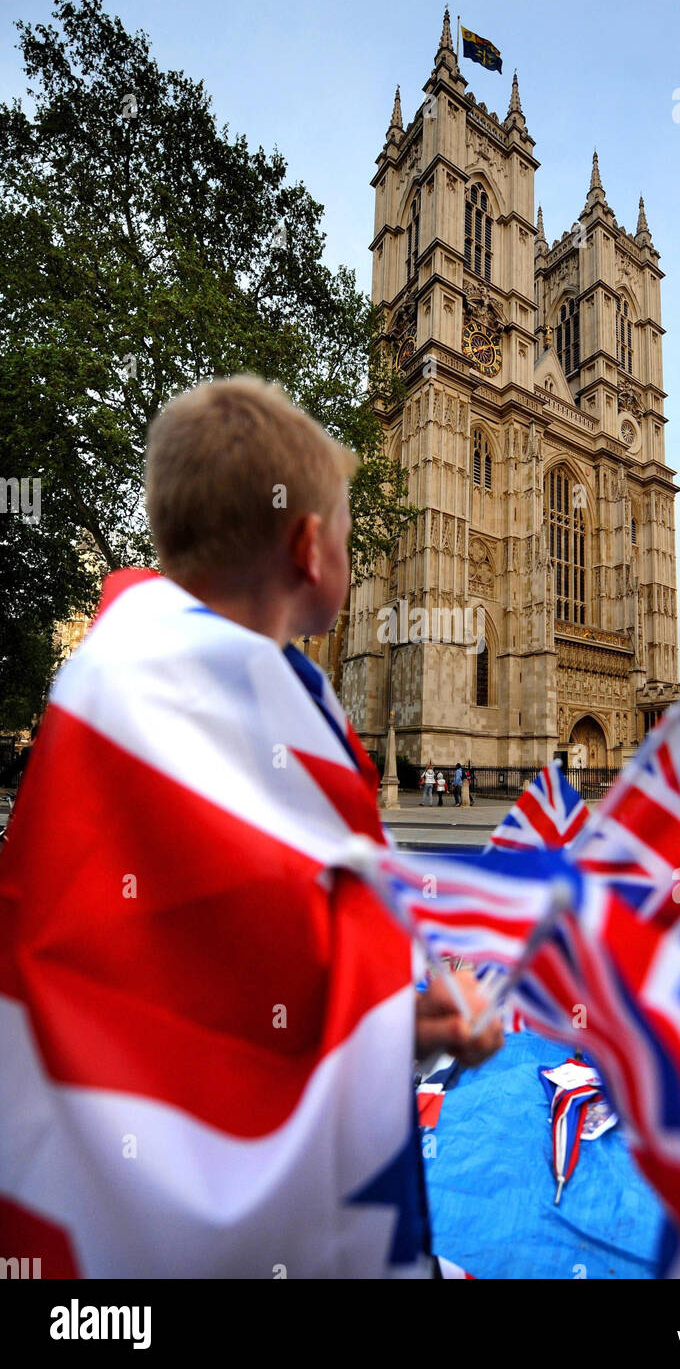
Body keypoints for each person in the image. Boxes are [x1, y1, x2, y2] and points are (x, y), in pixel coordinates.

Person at [0, 375, 502, 1278]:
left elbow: (219, 995)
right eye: (351, 530)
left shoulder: (116, 673)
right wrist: (419, 1011)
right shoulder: (254, 710)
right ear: (311, 550)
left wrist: (402, 1022)